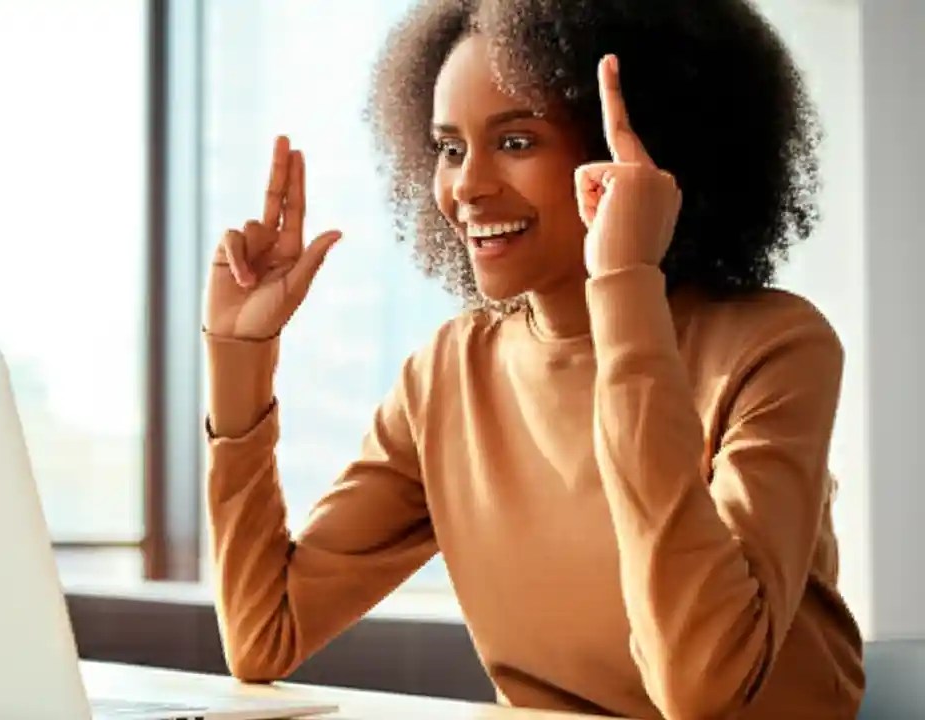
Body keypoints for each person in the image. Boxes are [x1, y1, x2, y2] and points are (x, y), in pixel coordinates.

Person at [200, 0, 865, 718]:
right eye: (449, 148)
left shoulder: (774, 347)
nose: (468, 187)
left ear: (634, 153)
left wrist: (625, 284)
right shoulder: (449, 373)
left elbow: (699, 687)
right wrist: (241, 355)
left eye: (516, 141)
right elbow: (262, 634)